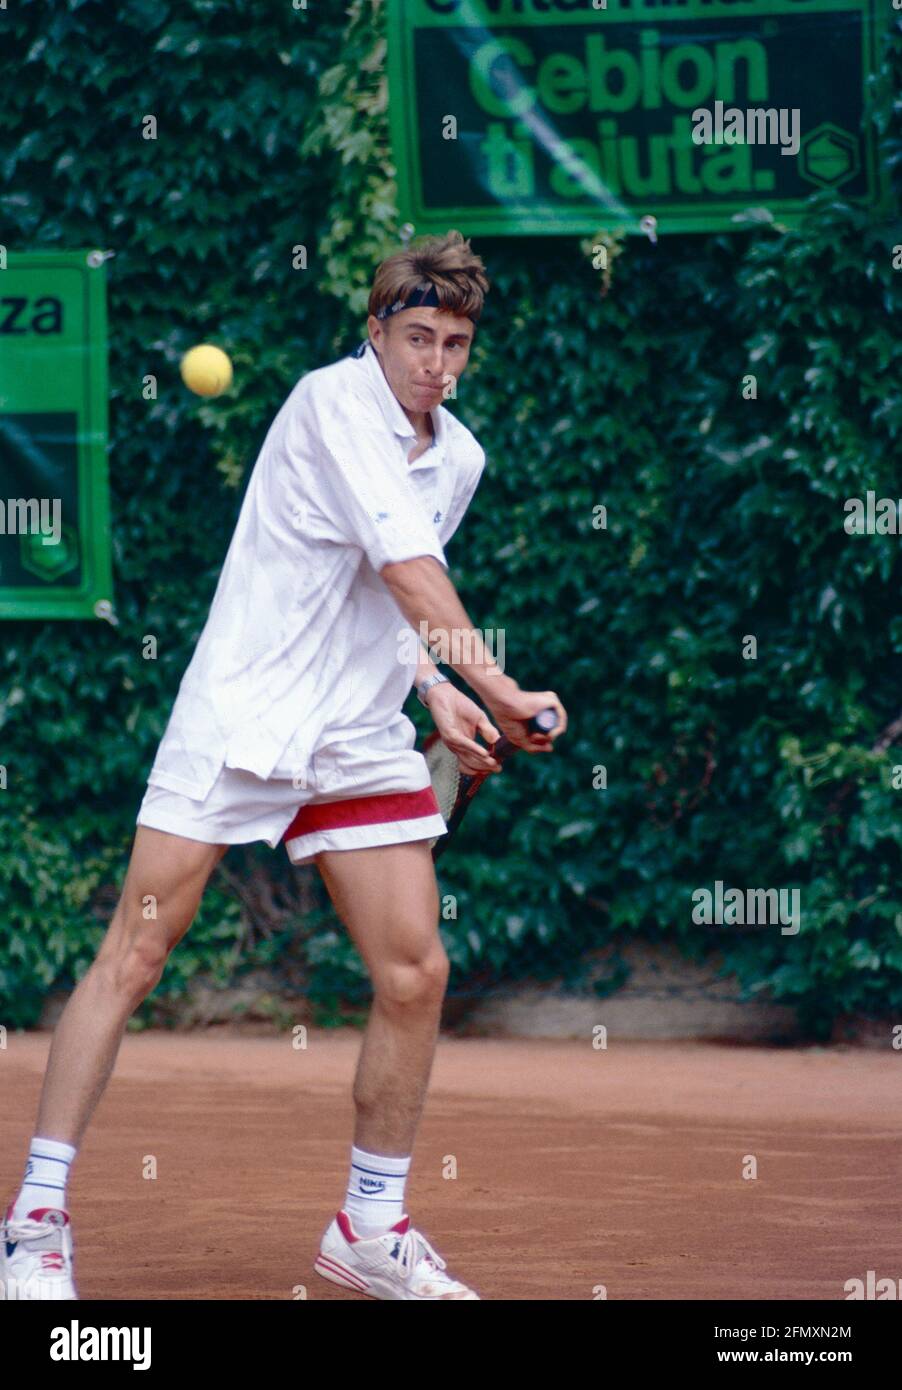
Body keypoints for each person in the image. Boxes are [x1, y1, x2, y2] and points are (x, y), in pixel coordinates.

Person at [1, 229, 567, 1302]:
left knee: (415, 970)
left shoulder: (459, 458)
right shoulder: (326, 404)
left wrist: (439, 695)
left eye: (453, 343)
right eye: (415, 338)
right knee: (138, 950)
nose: (434, 364)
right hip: (241, 714)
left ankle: (370, 1224)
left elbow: (385, 595)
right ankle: (32, 1221)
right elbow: (411, 576)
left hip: (354, 734)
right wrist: (500, 689)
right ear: (375, 332)